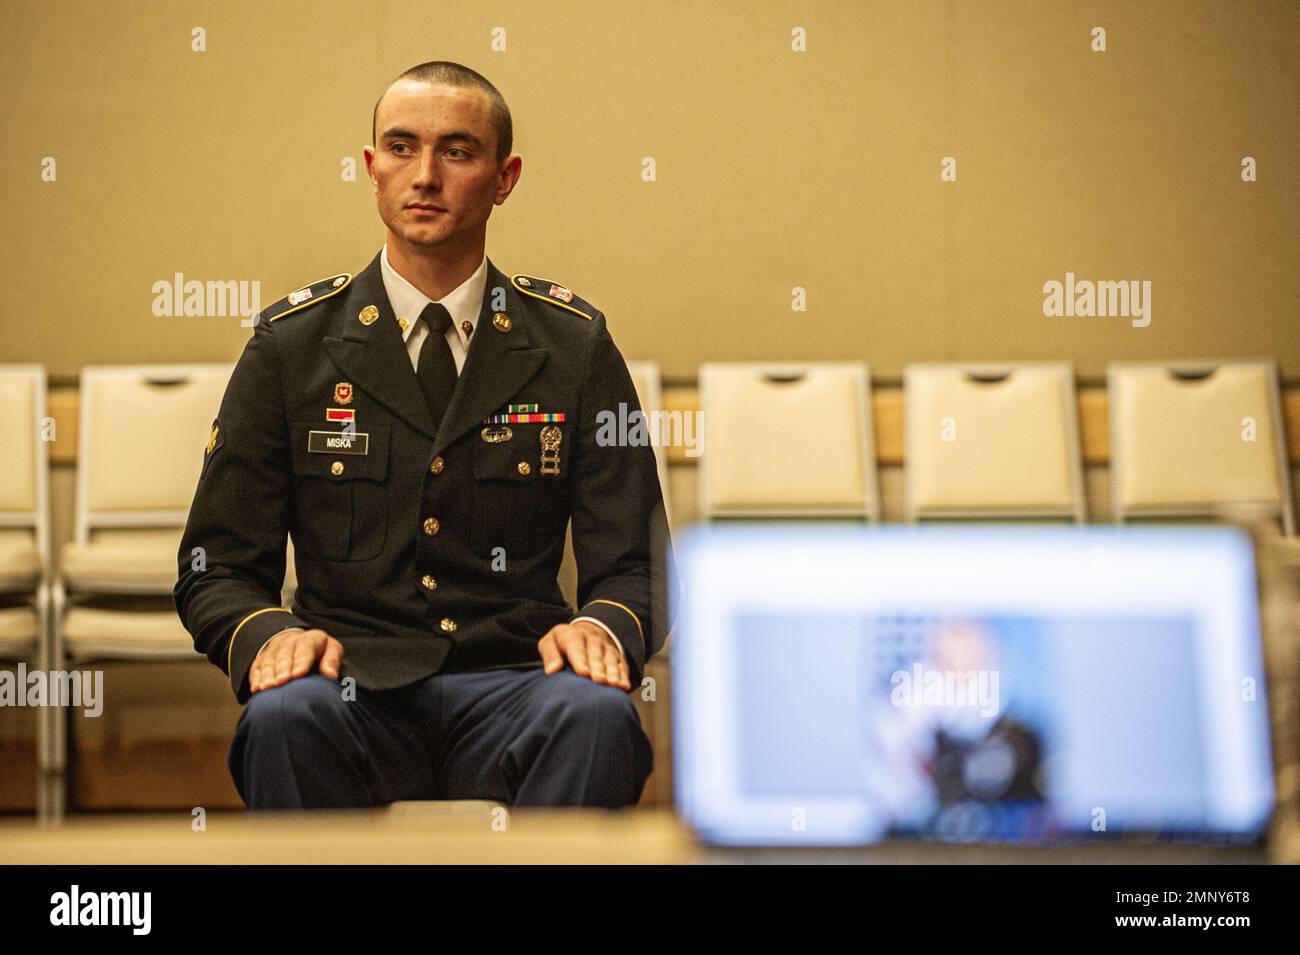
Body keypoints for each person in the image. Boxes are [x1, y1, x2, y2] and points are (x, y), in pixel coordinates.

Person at [173, 61, 673, 809]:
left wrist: (603, 628)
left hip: (516, 684)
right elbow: (215, 567)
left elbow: (636, 564)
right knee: (283, 715)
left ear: (505, 178)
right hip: (349, 688)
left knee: (596, 712)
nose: (426, 175)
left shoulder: (573, 346)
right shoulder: (292, 346)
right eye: (401, 149)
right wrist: (268, 635)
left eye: (458, 151)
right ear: (372, 170)